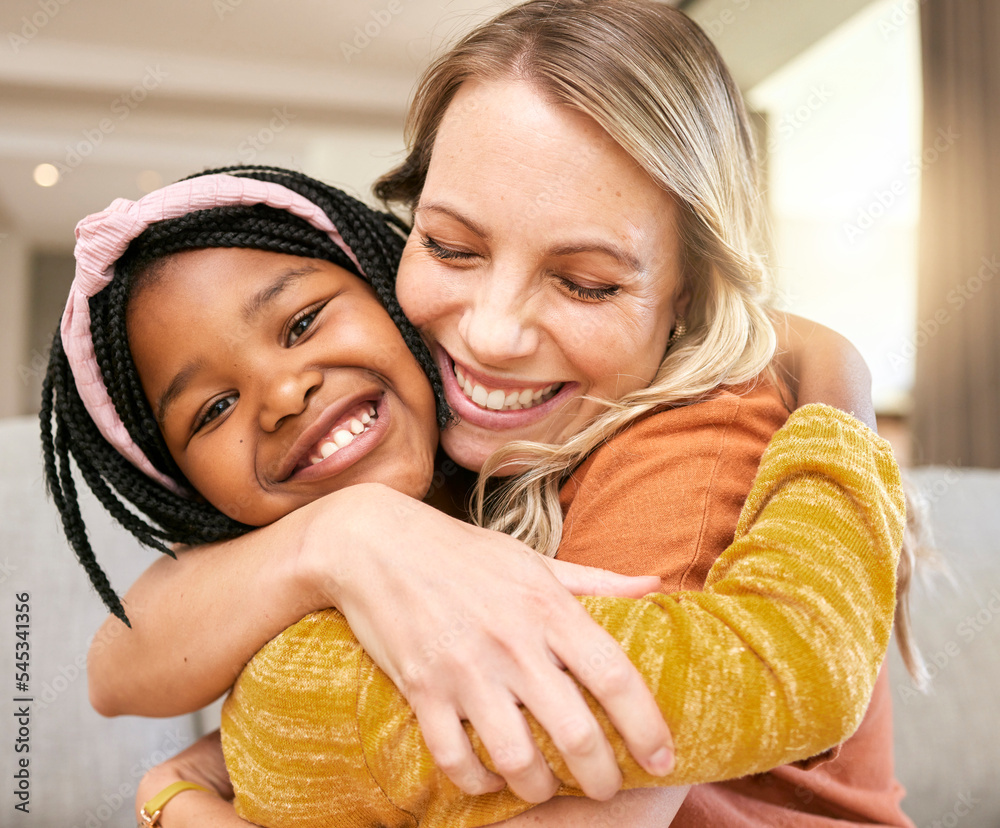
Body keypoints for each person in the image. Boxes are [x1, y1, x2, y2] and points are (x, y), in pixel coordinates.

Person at [60, 0, 917, 823]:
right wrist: (337, 538)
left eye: (585, 281)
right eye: (451, 247)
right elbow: (116, 668)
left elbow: (751, 688)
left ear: (687, 293)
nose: (494, 334)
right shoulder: (455, 448)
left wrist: (185, 804)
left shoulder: (690, 440)